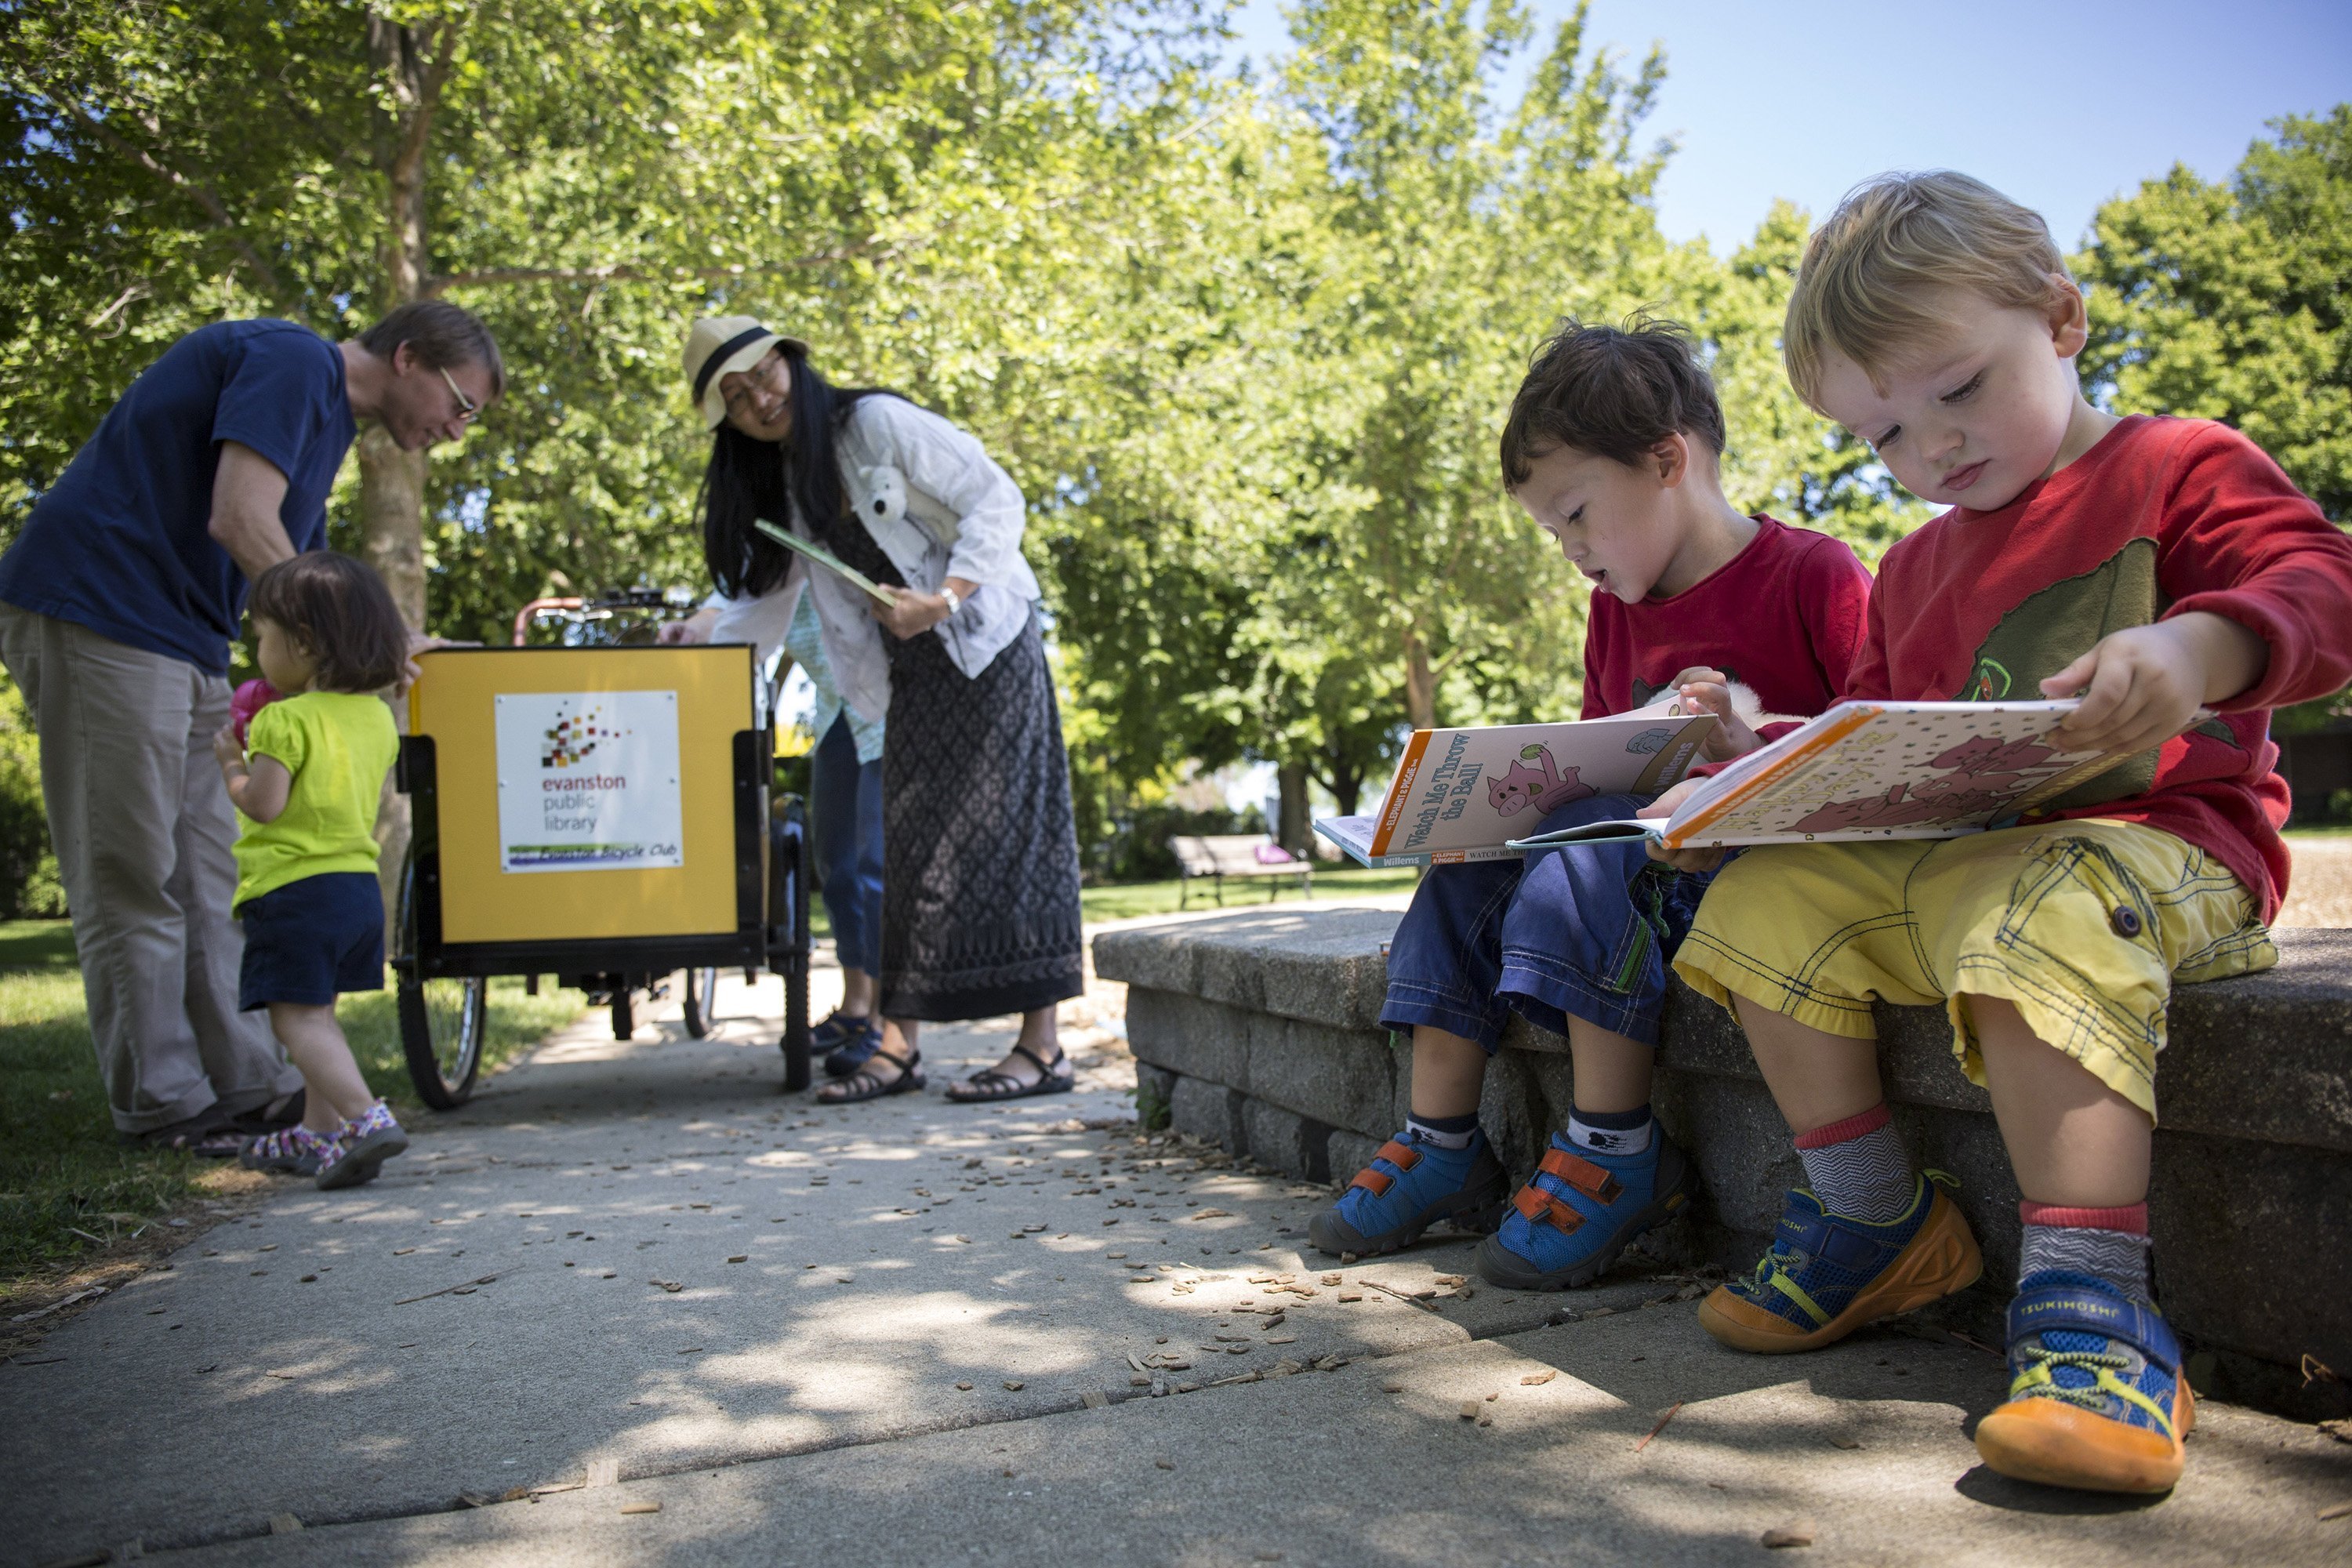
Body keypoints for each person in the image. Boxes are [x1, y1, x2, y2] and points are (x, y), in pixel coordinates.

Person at [1666, 172, 2352, 1496]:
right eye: (1883, 438)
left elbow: (2323, 583)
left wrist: (2199, 643)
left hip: (2166, 850)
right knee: (1759, 905)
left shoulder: (2173, 465)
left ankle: (2097, 1315)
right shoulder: (1917, 562)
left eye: (1960, 391)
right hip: (1968, 865)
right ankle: (1875, 1221)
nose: (1930, 451)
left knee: (2041, 905)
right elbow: (1878, 734)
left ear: (2063, 316)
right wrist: (1761, 769)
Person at [1307, 318, 1875, 1291]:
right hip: (1632, 864)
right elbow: (1592, 756)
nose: (1570, 550)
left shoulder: (1812, 574)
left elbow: (1868, 753)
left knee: (1584, 854)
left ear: (1667, 461)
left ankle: (1614, 1147)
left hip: (1738, 882)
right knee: (1467, 871)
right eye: (1552, 530)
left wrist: (1745, 749)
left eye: (1576, 514)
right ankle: (1440, 1139)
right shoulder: (1615, 609)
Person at [0, 301, 501, 1153]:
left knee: (214, 872)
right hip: (103, 608)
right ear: (409, 356)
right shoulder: (295, 361)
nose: (457, 429)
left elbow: (307, 581)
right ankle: (164, 1102)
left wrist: (376, 643)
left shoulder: (329, 422)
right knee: (132, 870)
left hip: (186, 633)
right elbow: (239, 516)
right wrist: (366, 638)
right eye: (460, 403)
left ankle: (252, 1085)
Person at [672, 317, 1085, 1105]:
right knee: (912, 853)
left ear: (790, 361)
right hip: (910, 674)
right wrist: (688, 674)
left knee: (1014, 836)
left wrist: (946, 596)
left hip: (987, 643)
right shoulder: (785, 483)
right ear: (726, 420)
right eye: (736, 395)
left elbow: (995, 497)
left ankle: (1043, 1047)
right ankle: (898, 1046)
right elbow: (760, 608)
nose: (760, 396)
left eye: (764, 372)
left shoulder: (877, 424)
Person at [212, 554, 412, 1188]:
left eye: (264, 635)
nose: (259, 649)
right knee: (318, 1014)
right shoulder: (377, 716)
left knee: (293, 1019)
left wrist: (231, 767)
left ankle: (363, 1119)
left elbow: (264, 805)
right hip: (355, 888)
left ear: (304, 643)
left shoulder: (282, 719)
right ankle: (319, 1133)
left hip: (293, 891)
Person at [666, 590, 888, 1075]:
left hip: (885, 705)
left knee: (876, 866)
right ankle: (855, 1005)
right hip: (836, 711)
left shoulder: (826, 537)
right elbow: (734, 596)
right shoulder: (775, 549)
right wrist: (697, 626)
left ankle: (882, 1020)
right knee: (837, 865)